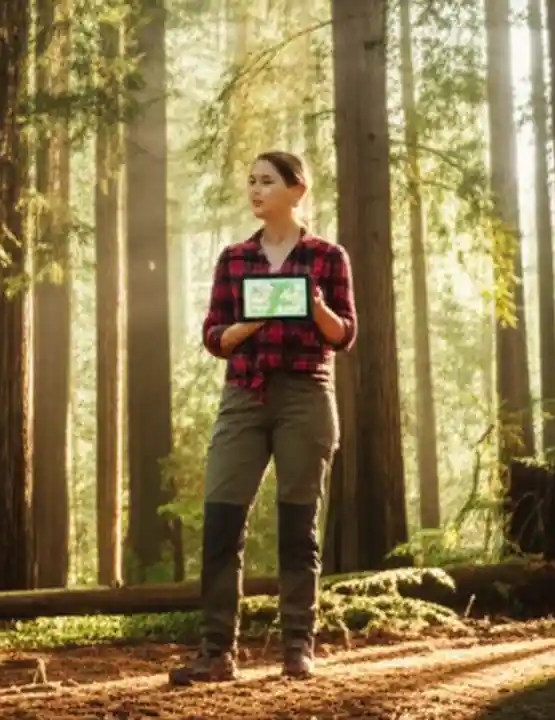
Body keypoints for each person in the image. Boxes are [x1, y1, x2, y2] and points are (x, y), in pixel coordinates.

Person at [168, 151, 357, 686]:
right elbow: (213, 335)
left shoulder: (328, 256)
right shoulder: (233, 259)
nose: (255, 190)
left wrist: (315, 307)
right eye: (250, 181)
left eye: (267, 182)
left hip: (306, 395)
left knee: (299, 526)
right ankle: (215, 652)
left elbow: (344, 334)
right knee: (222, 521)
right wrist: (235, 333)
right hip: (243, 399)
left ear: (298, 191)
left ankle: (298, 647)